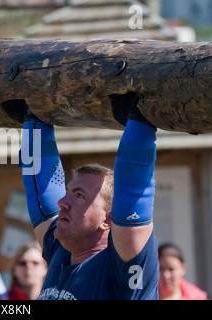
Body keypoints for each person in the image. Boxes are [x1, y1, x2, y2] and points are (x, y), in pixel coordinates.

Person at [19, 93, 159, 299]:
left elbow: (133, 188)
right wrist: (34, 113)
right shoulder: (61, 250)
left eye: (79, 196)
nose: (62, 203)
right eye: (68, 192)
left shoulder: (121, 265)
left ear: (109, 219)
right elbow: (41, 188)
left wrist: (141, 113)